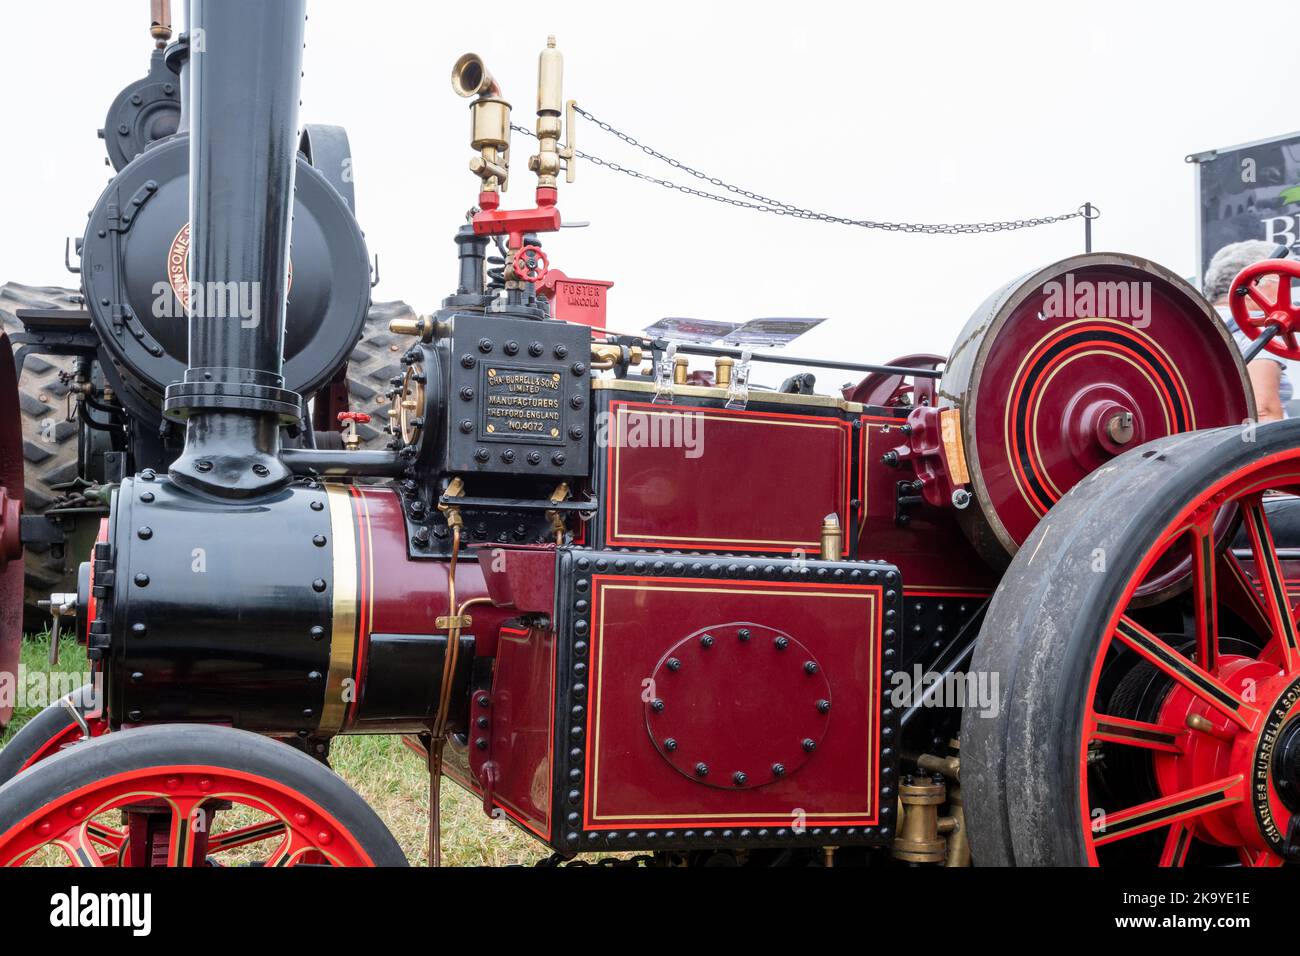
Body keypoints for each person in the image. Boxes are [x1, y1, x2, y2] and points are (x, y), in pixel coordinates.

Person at [1204, 240, 1293, 422]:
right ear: (1260, 281)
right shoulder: (1257, 327)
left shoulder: (1196, 322)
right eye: (1281, 280)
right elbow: (1262, 410)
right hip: (1253, 445)